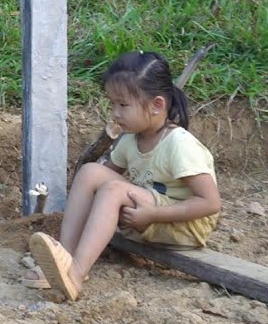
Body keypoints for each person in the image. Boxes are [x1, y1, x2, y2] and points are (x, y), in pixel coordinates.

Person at [25, 50, 221, 301]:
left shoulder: (179, 145)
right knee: (90, 172)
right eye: (112, 104)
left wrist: (152, 214)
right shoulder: (131, 138)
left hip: (183, 226)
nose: (115, 113)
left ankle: (75, 274)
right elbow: (100, 178)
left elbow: (210, 203)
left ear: (156, 105)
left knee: (113, 190)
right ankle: (66, 257)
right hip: (148, 212)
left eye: (123, 105)